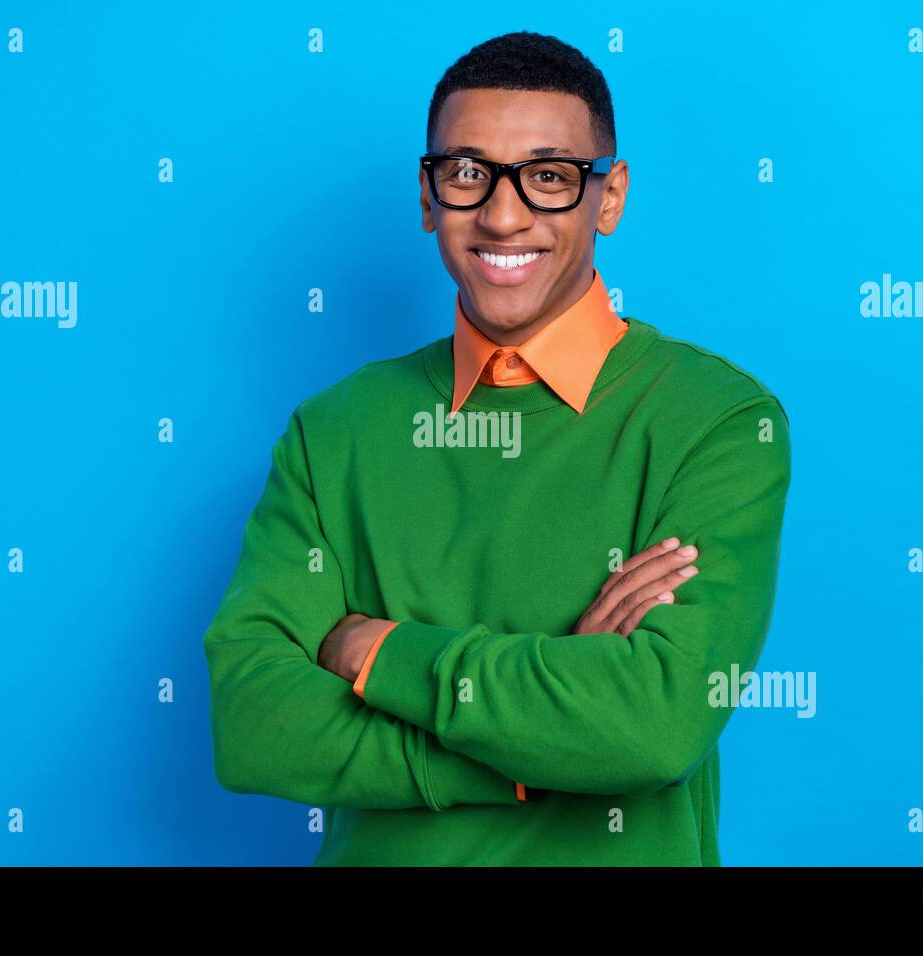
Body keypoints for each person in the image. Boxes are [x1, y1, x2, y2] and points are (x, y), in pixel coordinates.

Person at [202, 30, 792, 865]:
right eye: (469, 173)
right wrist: (542, 736)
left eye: (549, 176)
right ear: (427, 195)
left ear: (610, 197)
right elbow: (253, 724)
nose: (503, 213)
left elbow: (654, 728)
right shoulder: (333, 429)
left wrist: (378, 651)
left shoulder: (719, 421)